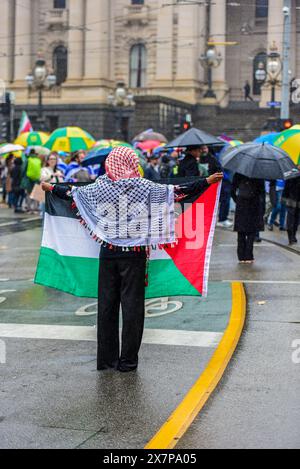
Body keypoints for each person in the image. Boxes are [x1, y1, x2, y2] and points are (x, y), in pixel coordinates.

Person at [41, 147, 223, 373]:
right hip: (135, 255)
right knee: (133, 309)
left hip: (108, 253)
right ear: (131, 163)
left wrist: (51, 188)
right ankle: (128, 361)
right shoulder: (145, 187)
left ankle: (107, 361)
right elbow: (177, 191)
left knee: (107, 307)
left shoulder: (100, 187)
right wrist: (206, 181)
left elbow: (72, 193)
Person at [231, 173, 265, 264]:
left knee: (241, 230)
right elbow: (262, 192)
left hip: (241, 203)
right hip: (254, 203)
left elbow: (232, 190)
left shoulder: (238, 173)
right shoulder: (259, 174)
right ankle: (249, 255)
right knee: (251, 231)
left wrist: (237, 200)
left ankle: (241, 256)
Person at [282, 173, 300, 245]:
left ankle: (293, 235)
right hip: (291, 199)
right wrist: (284, 199)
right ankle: (291, 236)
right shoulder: (291, 175)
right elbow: (286, 188)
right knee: (291, 218)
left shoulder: (291, 175)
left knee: (296, 218)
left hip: (297, 199)